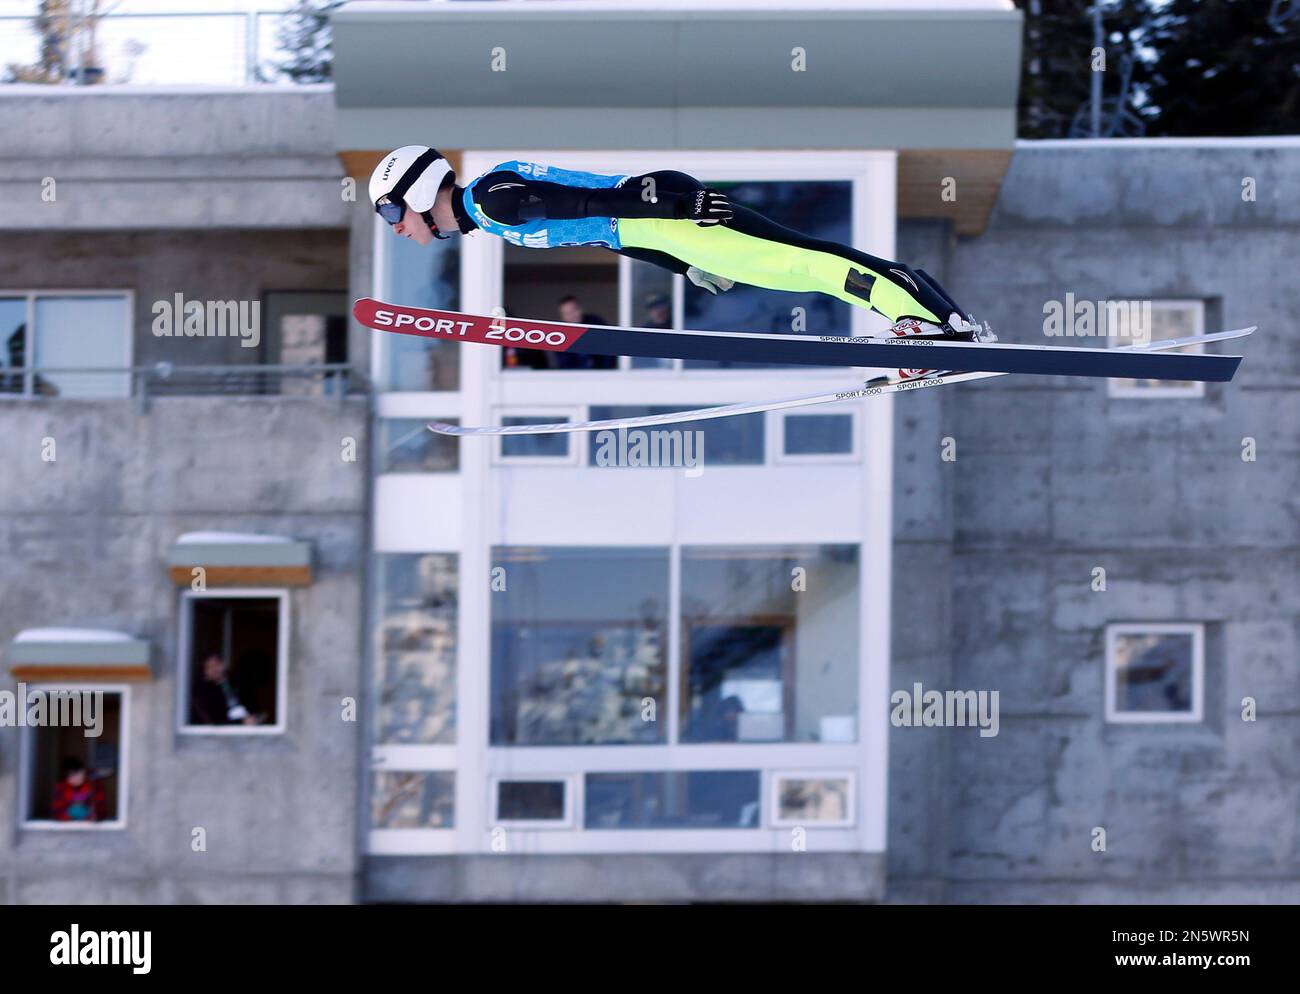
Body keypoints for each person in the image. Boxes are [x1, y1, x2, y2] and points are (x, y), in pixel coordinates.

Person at [367, 146, 992, 380]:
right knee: (800, 265)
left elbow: (594, 200)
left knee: (808, 264)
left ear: (419, 194)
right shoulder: (492, 211)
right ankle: (931, 323)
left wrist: (675, 203)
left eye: (394, 215)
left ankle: (938, 323)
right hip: (662, 224)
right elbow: (612, 236)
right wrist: (681, 264)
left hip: (663, 209)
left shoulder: (493, 200)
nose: (398, 230)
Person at [190, 652, 261, 726]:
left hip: (249, 726)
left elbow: (252, 705)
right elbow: (214, 721)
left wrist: (253, 717)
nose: (214, 669)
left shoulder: (238, 682)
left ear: (223, 664)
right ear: (205, 672)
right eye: (209, 667)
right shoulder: (203, 693)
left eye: (216, 664)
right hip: (225, 731)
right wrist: (241, 722)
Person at [552, 294, 617, 370]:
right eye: (567, 314)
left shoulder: (595, 323)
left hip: (602, 374)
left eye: (573, 311)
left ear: (580, 309)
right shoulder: (560, 336)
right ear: (562, 317)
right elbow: (564, 364)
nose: (572, 316)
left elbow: (609, 347)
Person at [51, 757, 108, 823]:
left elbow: (101, 810)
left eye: (77, 773)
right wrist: (68, 814)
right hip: (68, 827)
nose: (75, 777)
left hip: (90, 827)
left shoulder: (94, 786)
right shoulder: (61, 788)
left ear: (84, 771)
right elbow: (57, 812)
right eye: (70, 775)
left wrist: (91, 814)